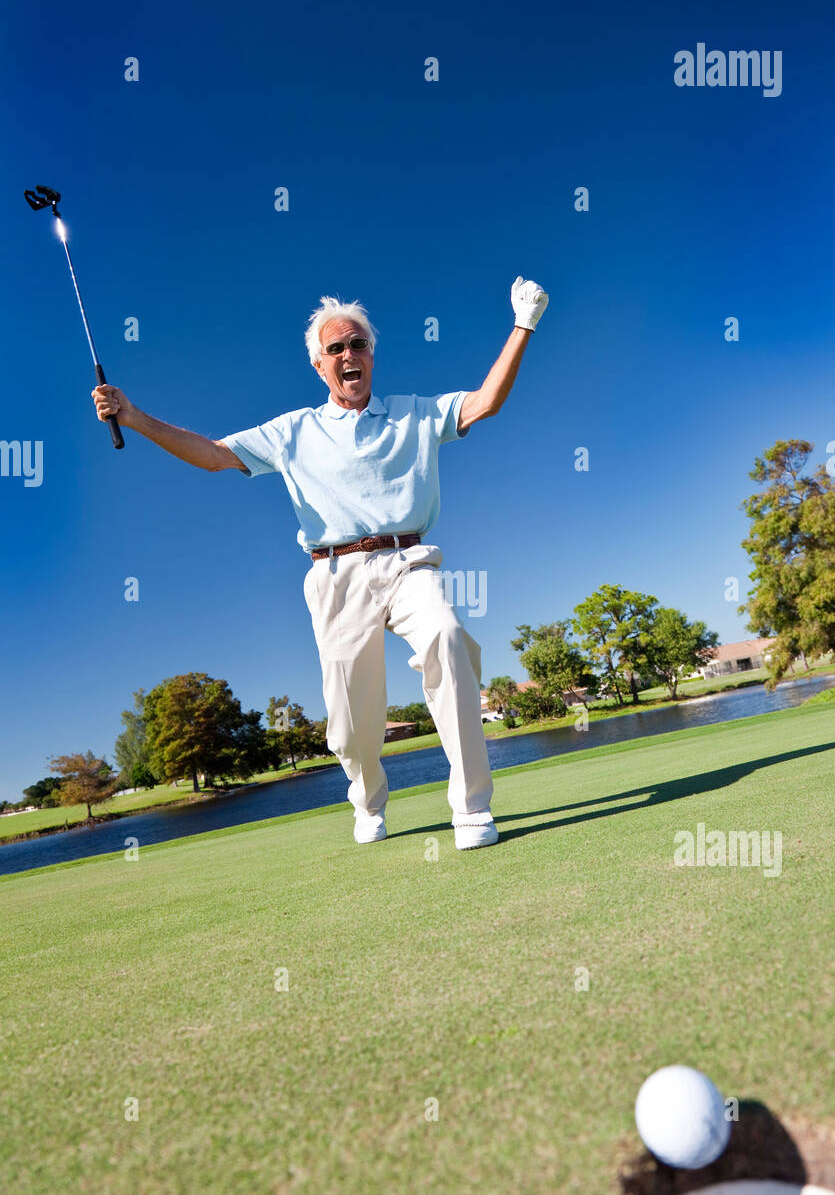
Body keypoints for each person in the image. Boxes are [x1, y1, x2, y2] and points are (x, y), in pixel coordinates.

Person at [93, 275, 548, 849]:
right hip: (334, 575)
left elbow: (485, 403)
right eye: (336, 349)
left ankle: (472, 808)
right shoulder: (292, 431)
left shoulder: (415, 414)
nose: (348, 355)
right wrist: (132, 416)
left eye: (358, 344)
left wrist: (523, 324)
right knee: (351, 717)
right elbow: (211, 456)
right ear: (319, 364)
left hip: (409, 561)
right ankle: (368, 800)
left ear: (372, 354)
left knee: (448, 638)